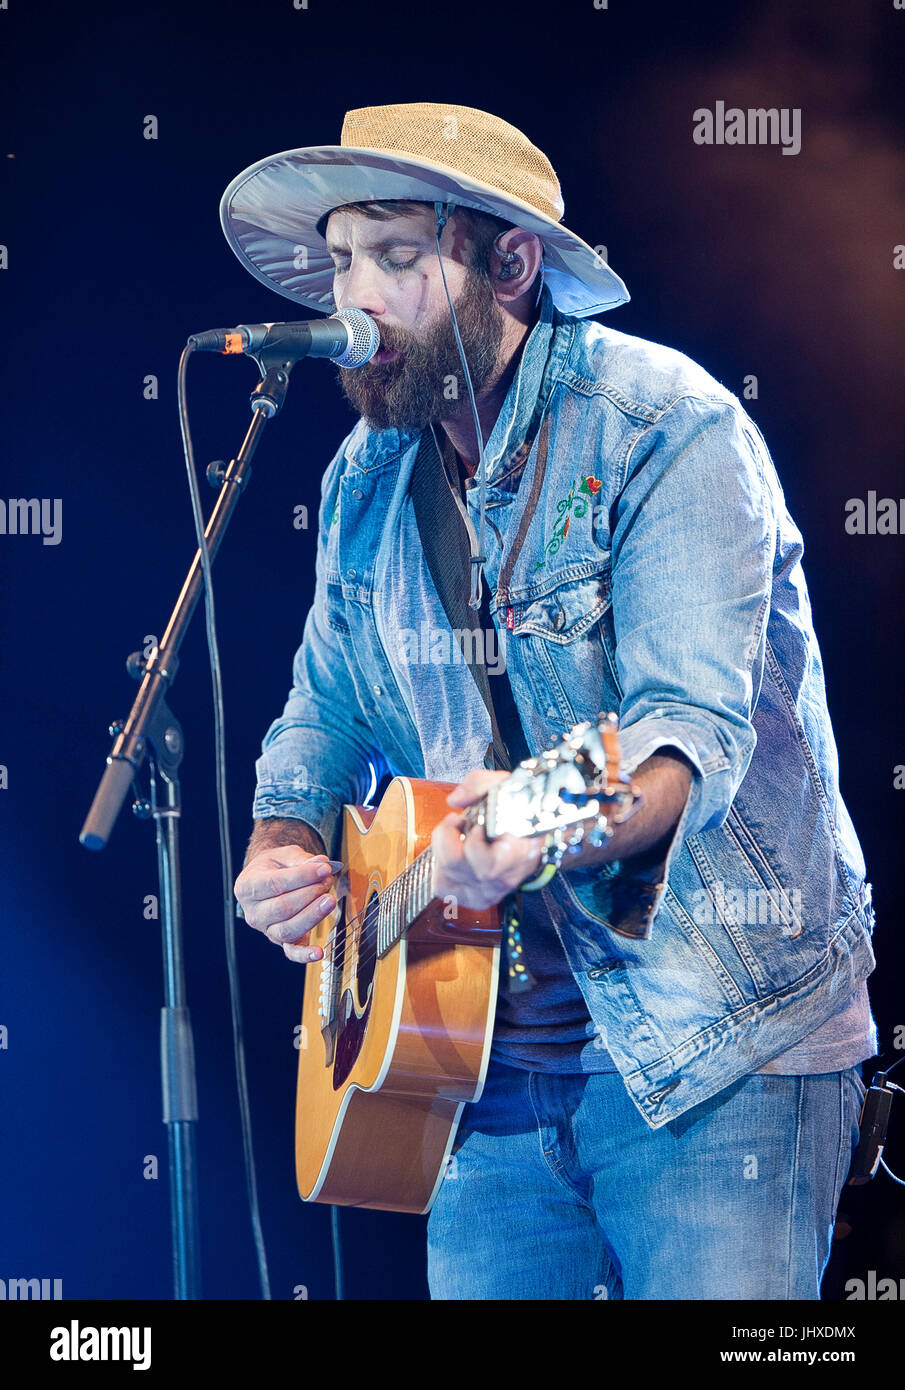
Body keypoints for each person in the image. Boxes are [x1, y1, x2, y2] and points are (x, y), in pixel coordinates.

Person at [228, 102, 877, 1299]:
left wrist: (536, 818)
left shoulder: (664, 426)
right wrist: (283, 838)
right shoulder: (367, 479)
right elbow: (321, 712)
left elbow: (687, 733)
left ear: (511, 263)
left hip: (709, 1057)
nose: (352, 297)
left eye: (397, 256)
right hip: (476, 1073)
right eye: (338, 261)